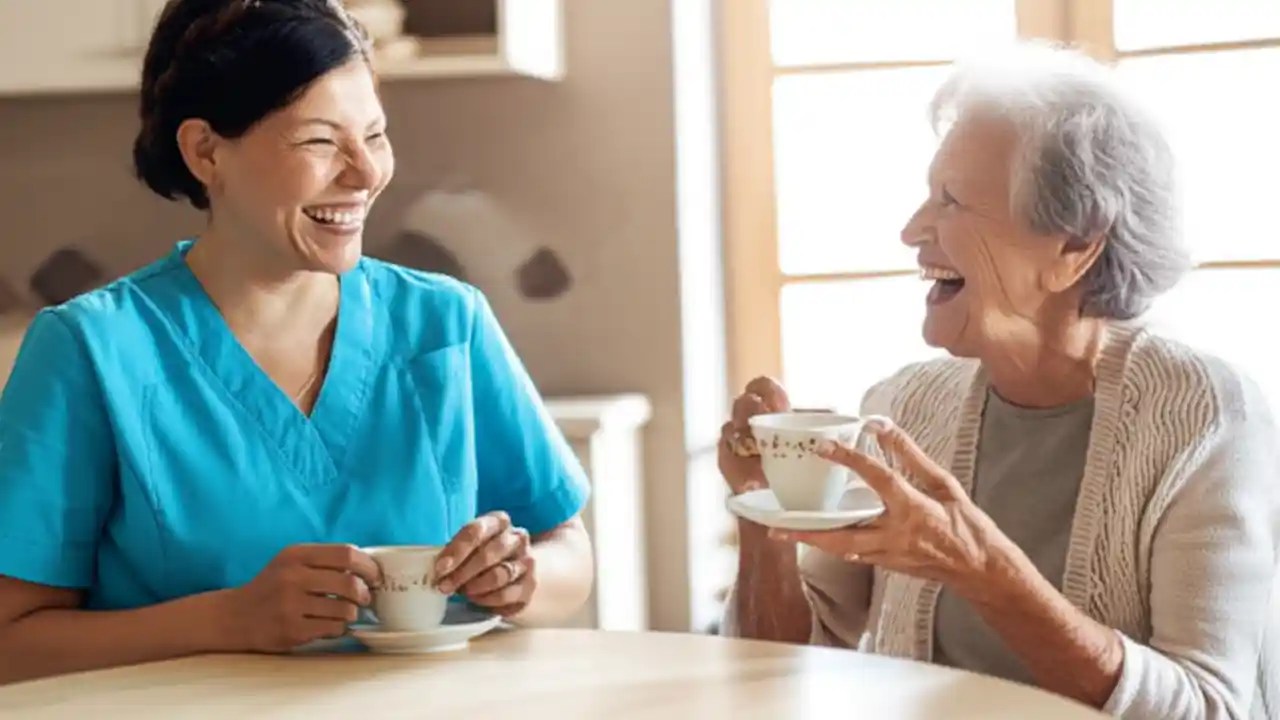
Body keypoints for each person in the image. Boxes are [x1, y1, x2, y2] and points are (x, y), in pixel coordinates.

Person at [0, 0, 593, 684]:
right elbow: (11, 643)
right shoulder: (90, 351)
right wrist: (229, 621)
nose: (365, 173)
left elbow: (567, 550)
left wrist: (521, 578)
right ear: (204, 151)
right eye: (319, 141)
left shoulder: (446, 324)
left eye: (374, 136)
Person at [720, 43, 1279, 719]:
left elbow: (1211, 708)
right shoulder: (903, 406)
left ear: (1075, 245)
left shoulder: (1205, 415)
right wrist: (763, 508)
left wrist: (983, 571)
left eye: (950, 201)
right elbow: (779, 666)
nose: (910, 230)